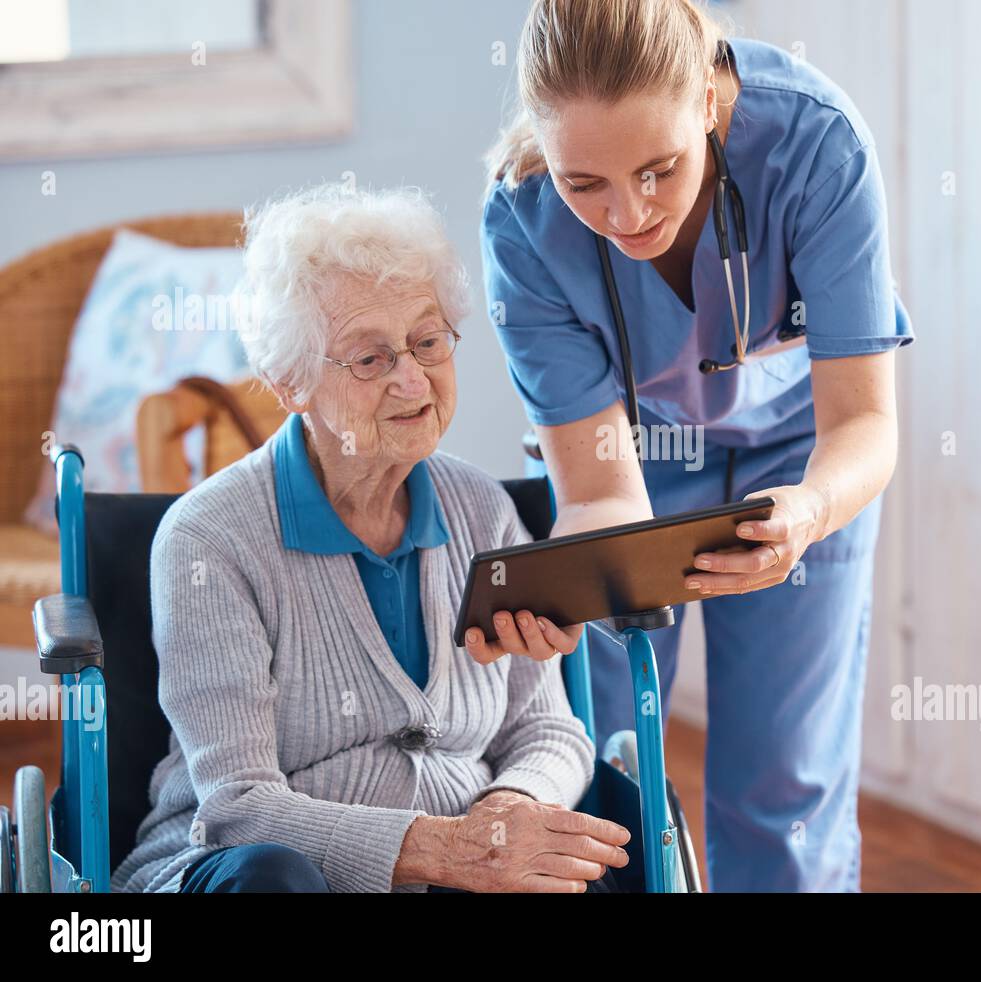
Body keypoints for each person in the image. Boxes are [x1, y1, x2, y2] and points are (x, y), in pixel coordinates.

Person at [478, 0, 913, 891]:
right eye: (583, 183)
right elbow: (599, 493)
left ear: (710, 99)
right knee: (603, 770)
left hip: (797, 465)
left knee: (784, 783)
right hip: (622, 469)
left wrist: (811, 510)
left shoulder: (816, 145)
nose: (626, 213)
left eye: (659, 168)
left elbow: (864, 425)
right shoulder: (521, 219)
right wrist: (595, 582)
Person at [110, 184, 629, 893]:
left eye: (427, 341)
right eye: (370, 359)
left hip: (461, 872)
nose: (413, 380)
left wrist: (508, 816)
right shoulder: (210, 541)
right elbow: (237, 809)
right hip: (260, 872)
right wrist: (441, 849)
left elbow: (548, 731)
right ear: (289, 381)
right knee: (274, 880)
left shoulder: (483, 510)